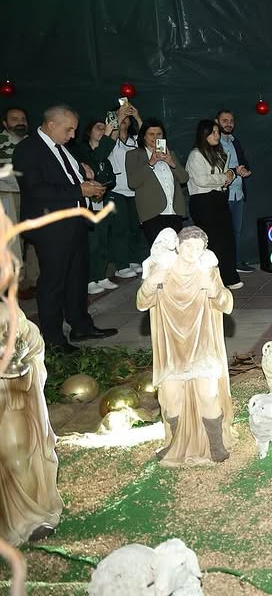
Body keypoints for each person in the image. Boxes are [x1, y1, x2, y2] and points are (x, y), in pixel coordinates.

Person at [13, 105, 117, 352]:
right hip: (50, 227)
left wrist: (84, 176)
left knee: (77, 279)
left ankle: (81, 325)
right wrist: (79, 190)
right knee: (53, 283)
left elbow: (67, 176)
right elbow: (36, 189)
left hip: (74, 222)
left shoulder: (62, 148)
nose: (72, 135)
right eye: (68, 129)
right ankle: (53, 338)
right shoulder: (27, 150)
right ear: (51, 125)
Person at [137, 227, 235, 465]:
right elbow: (142, 303)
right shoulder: (161, 272)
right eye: (189, 246)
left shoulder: (206, 271)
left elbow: (227, 303)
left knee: (208, 395)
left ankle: (215, 444)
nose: (193, 252)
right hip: (172, 347)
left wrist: (213, 290)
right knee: (171, 398)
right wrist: (150, 283)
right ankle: (175, 441)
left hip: (202, 344)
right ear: (179, 246)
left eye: (199, 248)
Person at [0, 308, 62, 545]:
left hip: (11, 399)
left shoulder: (7, 313)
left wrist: (20, 354)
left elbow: (33, 343)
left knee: (18, 457)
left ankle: (29, 519)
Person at [185, 120, 242, 289]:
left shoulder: (219, 153)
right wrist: (225, 177)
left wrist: (229, 176)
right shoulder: (196, 154)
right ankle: (212, 281)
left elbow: (222, 178)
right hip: (203, 202)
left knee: (227, 239)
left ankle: (229, 277)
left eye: (217, 132)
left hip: (219, 199)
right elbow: (202, 180)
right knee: (212, 241)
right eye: (213, 132)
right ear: (204, 134)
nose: (217, 135)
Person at [69, 116, 120, 295]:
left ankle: (101, 275)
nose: (102, 130)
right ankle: (89, 279)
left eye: (104, 128)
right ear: (89, 131)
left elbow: (111, 177)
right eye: (99, 127)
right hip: (87, 203)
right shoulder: (81, 151)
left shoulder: (105, 156)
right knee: (92, 242)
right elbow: (92, 162)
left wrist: (106, 185)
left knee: (103, 240)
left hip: (102, 200)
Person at [126, 119, 189, 247]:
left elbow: (184, 179)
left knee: (175, 253)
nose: (155, 138)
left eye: (159, 134)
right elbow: (133, 182)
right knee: (159, 254)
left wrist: (172, 163)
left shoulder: (170, 154)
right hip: (152, 213)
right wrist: (151, 163)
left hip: (174, 211)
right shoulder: (134, 155)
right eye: (151, 134)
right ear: (143, 136)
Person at [0, 107, 39, 296]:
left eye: (23, 118)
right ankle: (16, 282)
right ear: (5, 123)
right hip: (7, 195)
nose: (20, 122)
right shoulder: (1, 143)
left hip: (31, 195)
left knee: (34, 236)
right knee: (12, 241)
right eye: (14, 119)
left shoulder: (32, 143)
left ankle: (33, 279)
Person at [106, 101, 147, 281]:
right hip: (117, 190)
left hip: (135, 190)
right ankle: (121, 265)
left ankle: (133, 260)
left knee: (135, 228)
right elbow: (106, 145)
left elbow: (148, 138)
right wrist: (117, 119)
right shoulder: (111, 139)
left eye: (126, 116)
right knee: (120, 229)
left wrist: (137, 116)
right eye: (119, 115)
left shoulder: (134, 140)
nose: (123, 119)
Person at [215, 110, 254, 273]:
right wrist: (235, 170)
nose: (228, 123)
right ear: (216, 121)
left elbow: (243, 161)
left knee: (236, 230)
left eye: (231, 120)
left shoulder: (234, 141)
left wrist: (245, 170)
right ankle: (224, 265)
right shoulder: (213, 143)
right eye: (224, 120)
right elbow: (215, 169)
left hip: (238, 191)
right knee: (222, 231)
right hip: (222, 192)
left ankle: (235, 262)